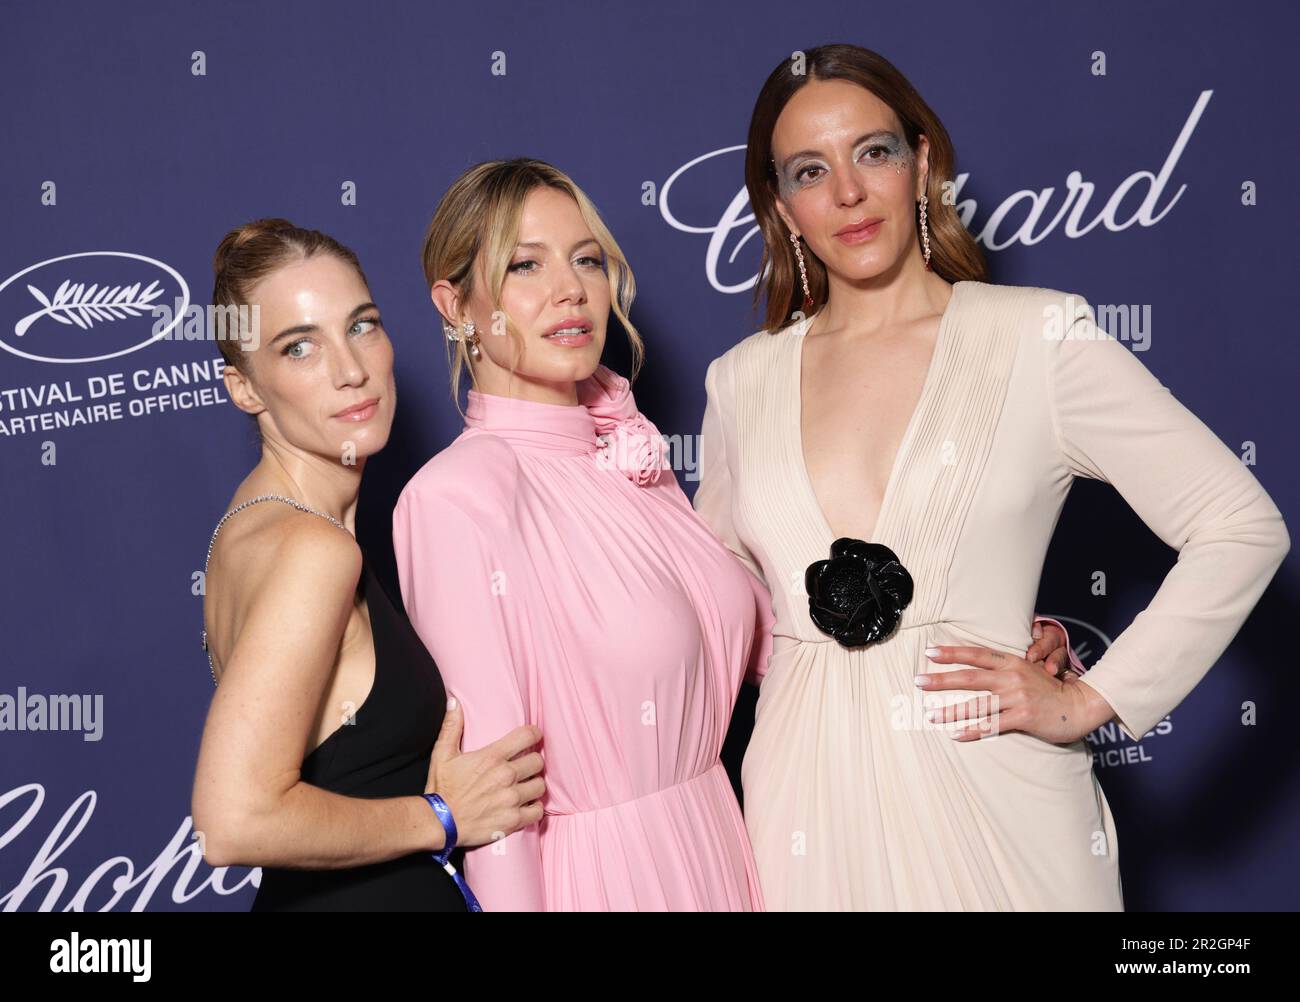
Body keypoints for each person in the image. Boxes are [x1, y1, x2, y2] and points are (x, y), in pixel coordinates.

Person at [692, 43, 1290, 910]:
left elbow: (1240, 525)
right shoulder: (738, 382)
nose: (849, 193)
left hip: (995, 792)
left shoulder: (1037, 340)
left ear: (922, 162)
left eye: (875, 152)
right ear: (780, 205)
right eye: (810, 170)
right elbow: (723, 618)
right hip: (805, 807)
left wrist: (1093, 697)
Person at [392, 158, 1075, 910]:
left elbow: (794, 645)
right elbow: (498, 811)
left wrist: (999, 630)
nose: (570, 289)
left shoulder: (627, 459)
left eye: (586, 259)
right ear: (455, 305)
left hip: (722, 848)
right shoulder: (456, 499)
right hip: (604, 883)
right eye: (525, 264)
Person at [191, 218, 544, 911]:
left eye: (362, 326)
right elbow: (232, 821)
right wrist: (441, 815)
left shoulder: (252, 526)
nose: (350, 369)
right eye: (299, 348)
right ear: (245, 388)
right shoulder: (313, 551)